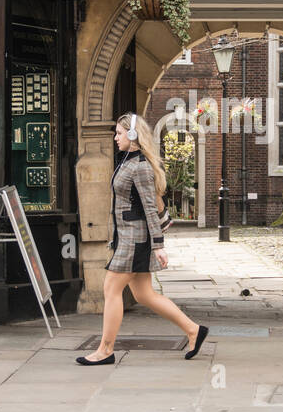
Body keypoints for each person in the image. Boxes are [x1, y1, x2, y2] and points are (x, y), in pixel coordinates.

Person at [76, 113, 208, 365]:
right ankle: (194, 330)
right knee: (144, 295)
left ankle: (105, 350)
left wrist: (158, 246)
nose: (115, 138)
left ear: (133, 135)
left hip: (134, 239)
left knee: (110, 289)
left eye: (119, 133)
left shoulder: (141, 167)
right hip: (127, 237)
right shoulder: (128, 161)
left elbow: (149, 208)